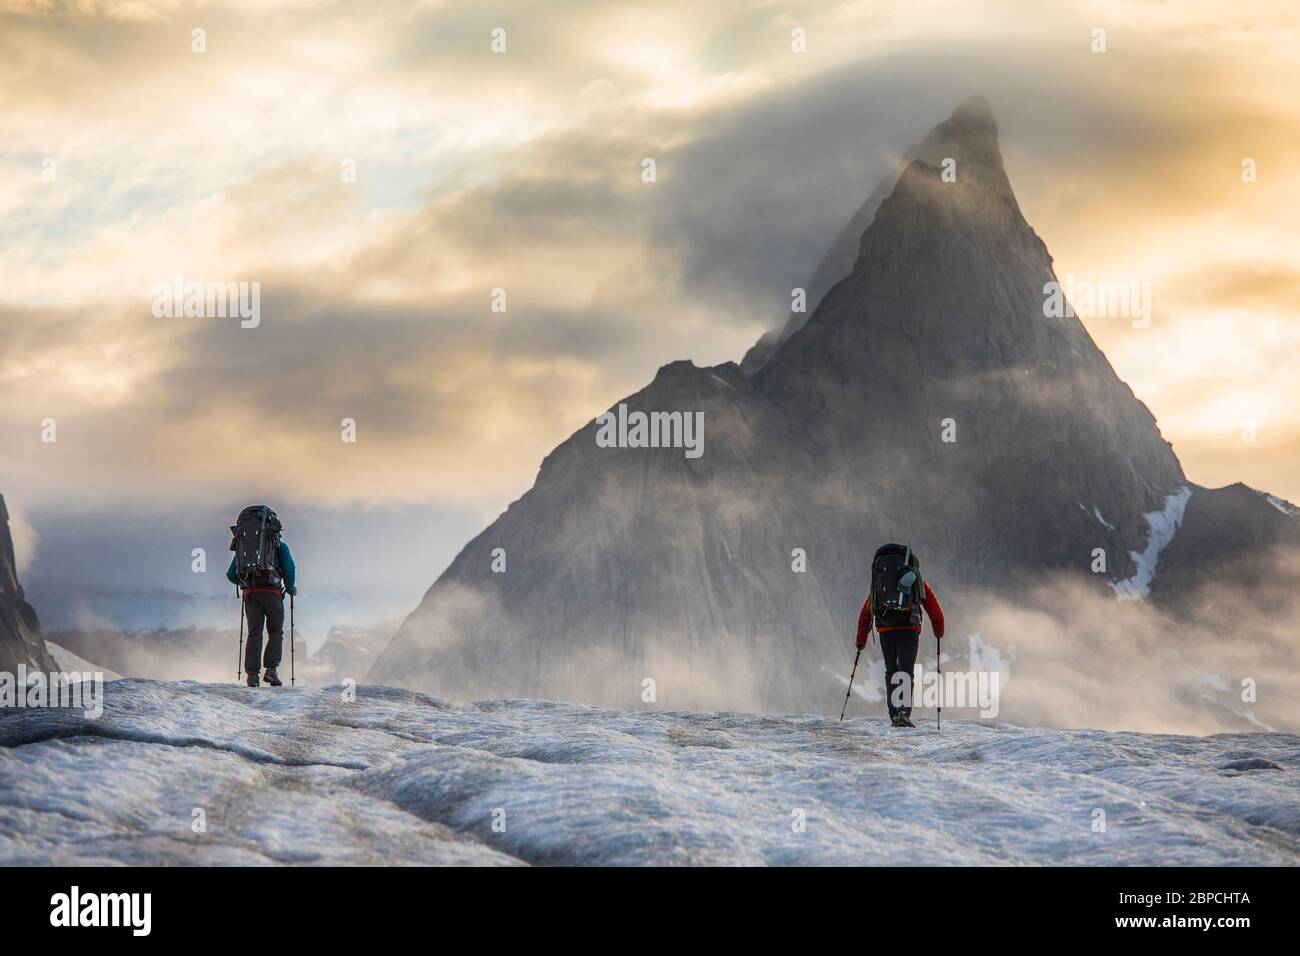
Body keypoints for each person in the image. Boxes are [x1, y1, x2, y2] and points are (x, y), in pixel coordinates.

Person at [854, 543, 944, 727]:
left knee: (891, 670)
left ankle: (893, 713)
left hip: (886, 632)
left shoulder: (880, 584)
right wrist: (938, 631)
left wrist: (860, 642)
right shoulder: (915, 580)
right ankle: (903, 713)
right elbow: (934, 609)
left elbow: (866, 612)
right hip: (909, 631)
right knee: (906, 671)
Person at [226, 507, 297, 688]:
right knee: (275, 632)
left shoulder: (244, 548)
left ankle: (252, 676)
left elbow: (231, 574)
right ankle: (271, 671)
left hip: (251, 595)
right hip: (272, 594)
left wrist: (247, 582)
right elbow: (289, 569)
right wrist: (290, 588)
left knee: (254, 633)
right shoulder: (278, 545)